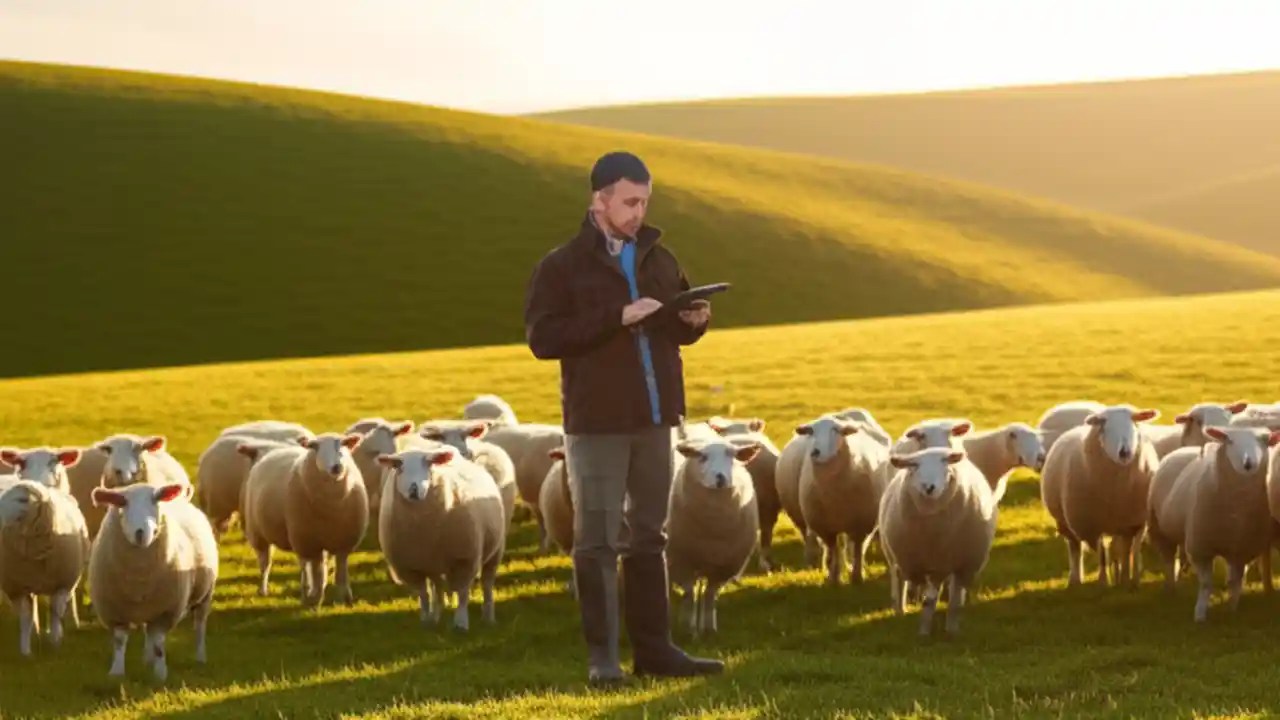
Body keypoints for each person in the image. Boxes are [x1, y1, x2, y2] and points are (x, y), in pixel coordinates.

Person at [523, 150, 722, 685]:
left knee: (650, 538)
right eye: (630, 202)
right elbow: (543, 338)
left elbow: (673, 325)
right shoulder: (561, 266)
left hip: (655, 419)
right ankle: (603, 659)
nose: (639, 212)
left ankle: (655, 653)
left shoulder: (659, 257)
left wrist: (692, 321)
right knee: (596, 541)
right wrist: (616, 317)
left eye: (645, 201)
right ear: (600, 200)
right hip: (597, 423)